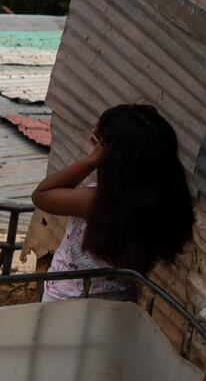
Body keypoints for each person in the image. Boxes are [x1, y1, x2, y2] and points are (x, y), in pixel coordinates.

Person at [31, 102, 194, 302]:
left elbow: (42, 194)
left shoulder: (97, 202)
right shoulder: (167, 203)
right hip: (120, 299)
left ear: (110, 154)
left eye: (101, 141)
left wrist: (90, 161)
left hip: (70, 298)